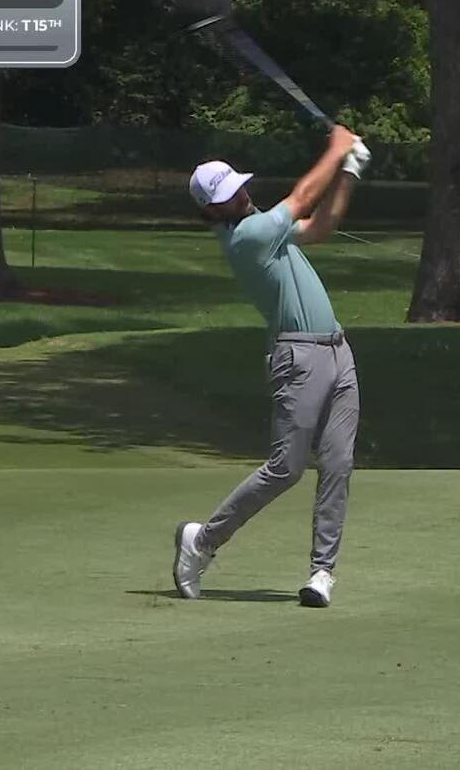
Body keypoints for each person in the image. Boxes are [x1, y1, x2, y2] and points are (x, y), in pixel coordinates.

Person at [172, 125, 370, 608]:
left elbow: (320, 227)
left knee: (339, 464)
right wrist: (336, 147)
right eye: (227, 195)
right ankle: (203, 541)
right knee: (286, 468)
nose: (240, 195)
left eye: (237, 187)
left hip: (338, 351)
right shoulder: (247, 237)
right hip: (298, 358)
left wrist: (349, 170)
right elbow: (302, 199)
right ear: (211, 211)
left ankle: (322, 571)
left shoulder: (263, 227)